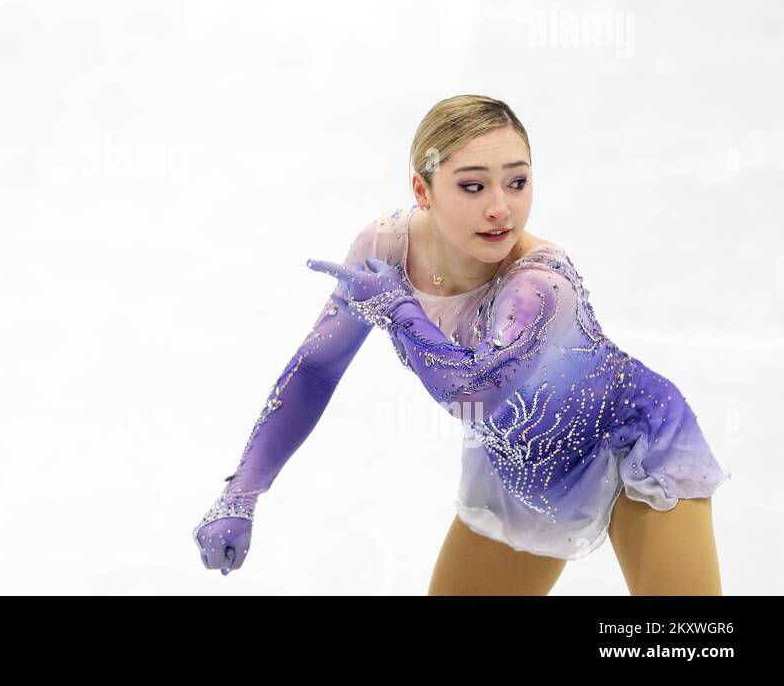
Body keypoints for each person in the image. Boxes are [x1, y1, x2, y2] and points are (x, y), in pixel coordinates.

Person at [191, 94, 729, 595]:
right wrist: (244, 488)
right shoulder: (386, 246)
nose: (501, 209)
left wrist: (399, 311)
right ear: (422, 190)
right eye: (473, 186)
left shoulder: (541, 284)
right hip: (524, 463)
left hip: (635, 442)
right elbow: (315, 370)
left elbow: (471, 394)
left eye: (517, 183)